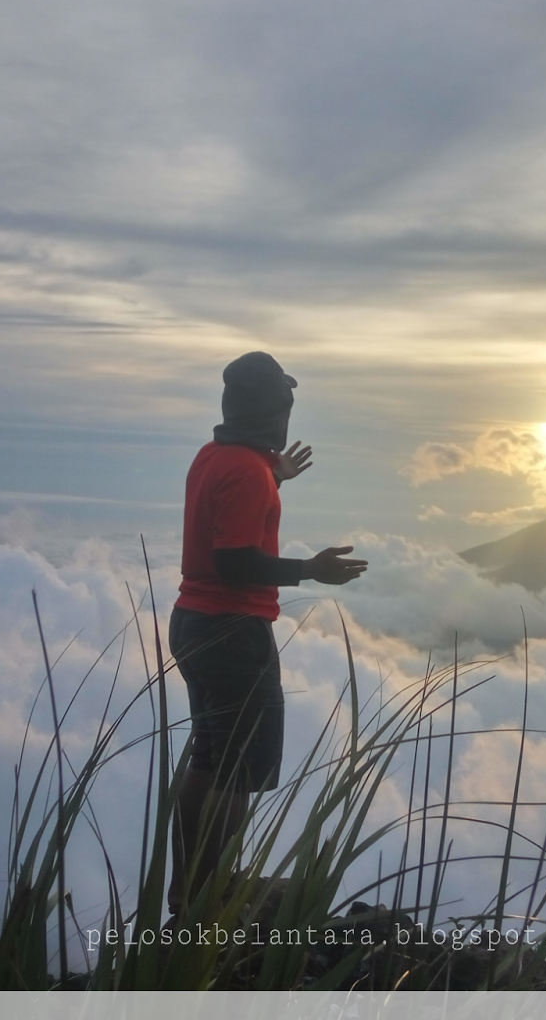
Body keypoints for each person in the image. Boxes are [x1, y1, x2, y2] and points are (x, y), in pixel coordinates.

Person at [167, 351, 367, 915]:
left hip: (195, 623)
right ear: (274, 412)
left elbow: (224, 523)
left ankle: (189, 890)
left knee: (210, 757)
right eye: (285, 404)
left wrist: (272, 475)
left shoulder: (216, 457)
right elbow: (234, 562)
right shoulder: (246, 472)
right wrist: (310, 570)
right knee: (237, 769)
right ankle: (211, 892)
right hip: (233, 630)